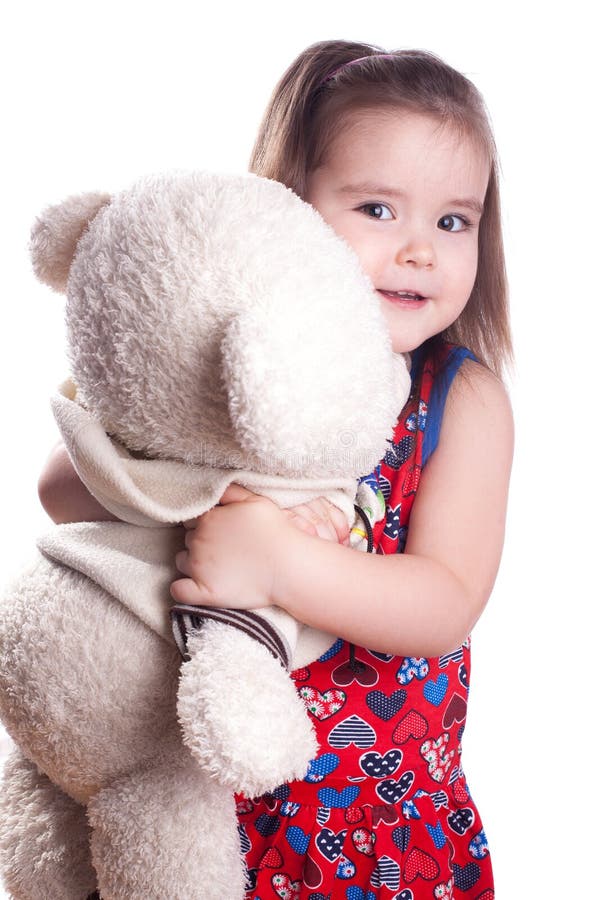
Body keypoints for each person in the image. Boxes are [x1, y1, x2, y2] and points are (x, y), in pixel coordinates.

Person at [39, 40, 513, 899]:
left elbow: (445, 599)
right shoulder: (204, 363)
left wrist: (281, 561)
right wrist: (216, 498)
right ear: (289, 209)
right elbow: (59, 487)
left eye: (454, 221)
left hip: (375, 831)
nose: (419, 251)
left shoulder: (460, 398)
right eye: (377, 209)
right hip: (205, 813)